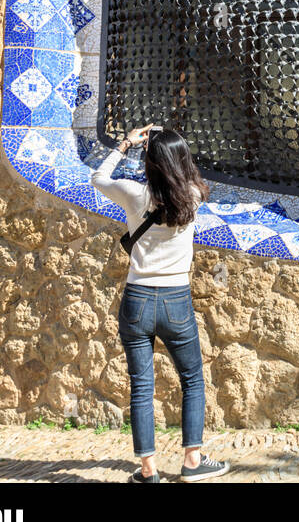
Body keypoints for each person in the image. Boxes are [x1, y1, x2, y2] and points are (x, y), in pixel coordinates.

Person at [91, 124, 229, 483]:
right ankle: (193, 462)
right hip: (175, 300)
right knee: (192, 380)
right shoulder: (194, 195)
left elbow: (98, 177)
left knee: (141, 385)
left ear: (149, 161)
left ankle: (148, 471)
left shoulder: (133, 194)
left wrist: (126, 143)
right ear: (182, 161)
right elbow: (189, 175)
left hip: (137, 299)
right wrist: (169, 144)